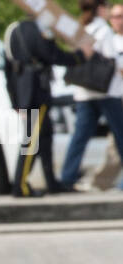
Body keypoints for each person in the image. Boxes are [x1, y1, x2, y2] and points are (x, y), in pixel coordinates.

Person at [4, 15, 87, 197]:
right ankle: (20, 186)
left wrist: (15, 100)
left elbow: (8, 68)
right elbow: (52, 54)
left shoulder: (13, 28)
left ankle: (51, 182)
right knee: (32, 139)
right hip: (36, 91)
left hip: (23, 90)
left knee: (45, 136)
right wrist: (80, 56)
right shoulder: (40, 28)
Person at [59, 0, 123, 191]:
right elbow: (113, 62)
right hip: (107, 92)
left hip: (84, 92)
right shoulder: (103, 31)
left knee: (80, 137)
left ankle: (67, 178)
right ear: (101, 9)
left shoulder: (82, 28)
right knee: (121, 137)